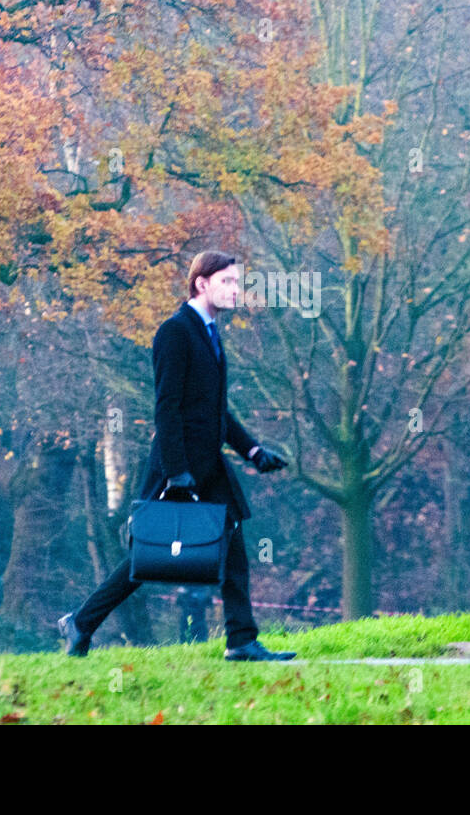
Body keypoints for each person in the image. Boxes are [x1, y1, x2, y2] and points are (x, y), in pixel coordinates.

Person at [59, 250, 295, 661]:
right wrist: (177, 472)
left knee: (233, 546)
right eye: (227, 281)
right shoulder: (175, 331)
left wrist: (253, 450)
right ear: (201, 283)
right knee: (149, 556)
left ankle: (241, 640)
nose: (236, 290)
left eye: (238, 282)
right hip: (179, 465)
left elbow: (215, 409)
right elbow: (166, 407)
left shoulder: (209, 332)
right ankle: (80, 622)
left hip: (209, 464)